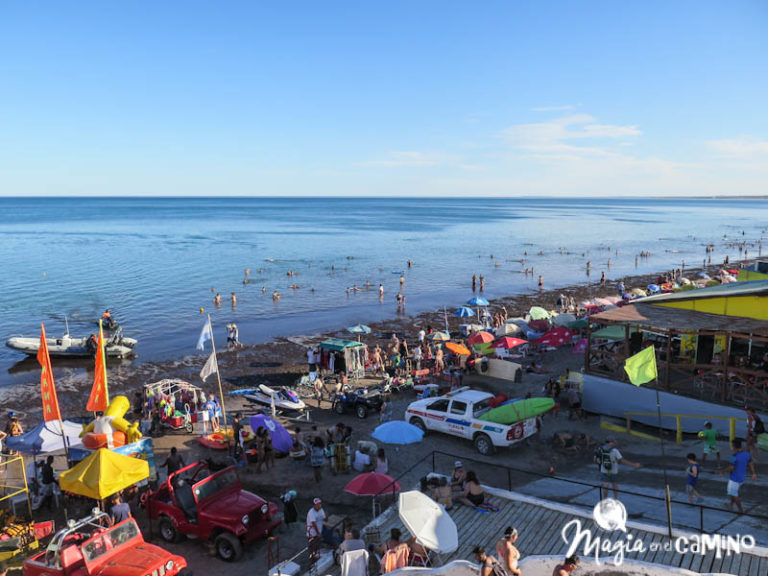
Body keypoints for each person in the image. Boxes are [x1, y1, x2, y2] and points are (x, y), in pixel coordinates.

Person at [718, 438, 757, 513]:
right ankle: (731, 504)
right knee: (734, 492)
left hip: (734, 479)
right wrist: (753, 473)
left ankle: (740, 509)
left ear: (734, 446)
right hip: (742, 478)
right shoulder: (746, 454)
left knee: (733, 494)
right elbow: (751, 463)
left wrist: (723, 471)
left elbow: (731, 467)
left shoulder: (734, 456)